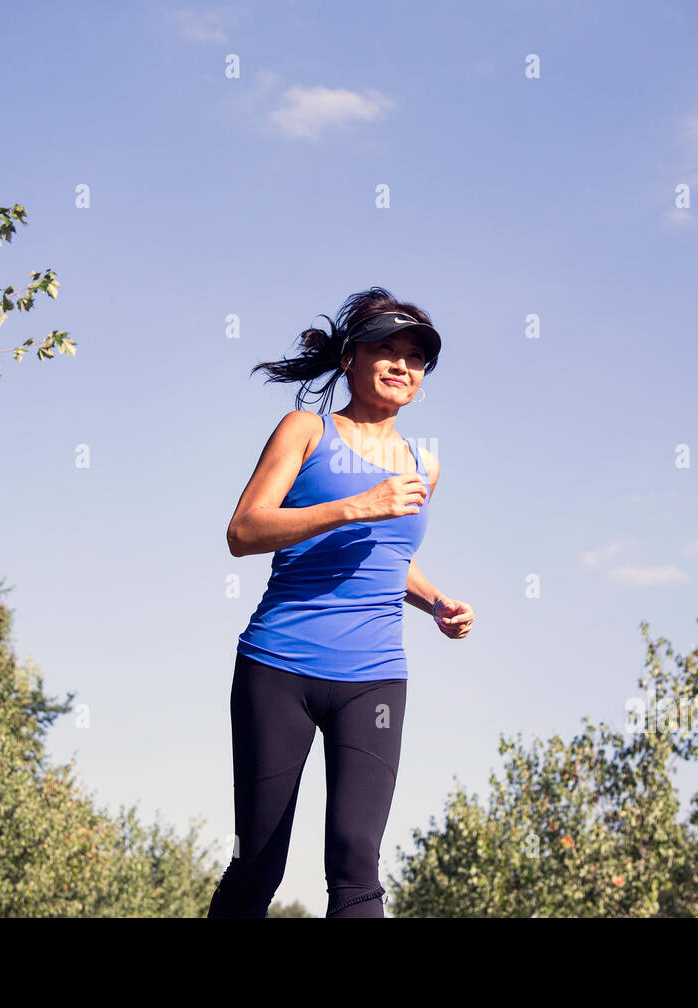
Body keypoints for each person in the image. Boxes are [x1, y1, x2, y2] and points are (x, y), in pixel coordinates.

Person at [211, 286, 474, 918]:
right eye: (386, 349)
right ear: (351, 358)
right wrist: (357, 505)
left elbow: (388, 558)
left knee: (357, 862)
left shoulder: (423, 464)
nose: (401, 365)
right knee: (261, 859)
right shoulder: (307, 431)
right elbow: (243, 532)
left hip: (375, 677)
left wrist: (437, 602)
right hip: (279, 667)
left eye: (415, 357)